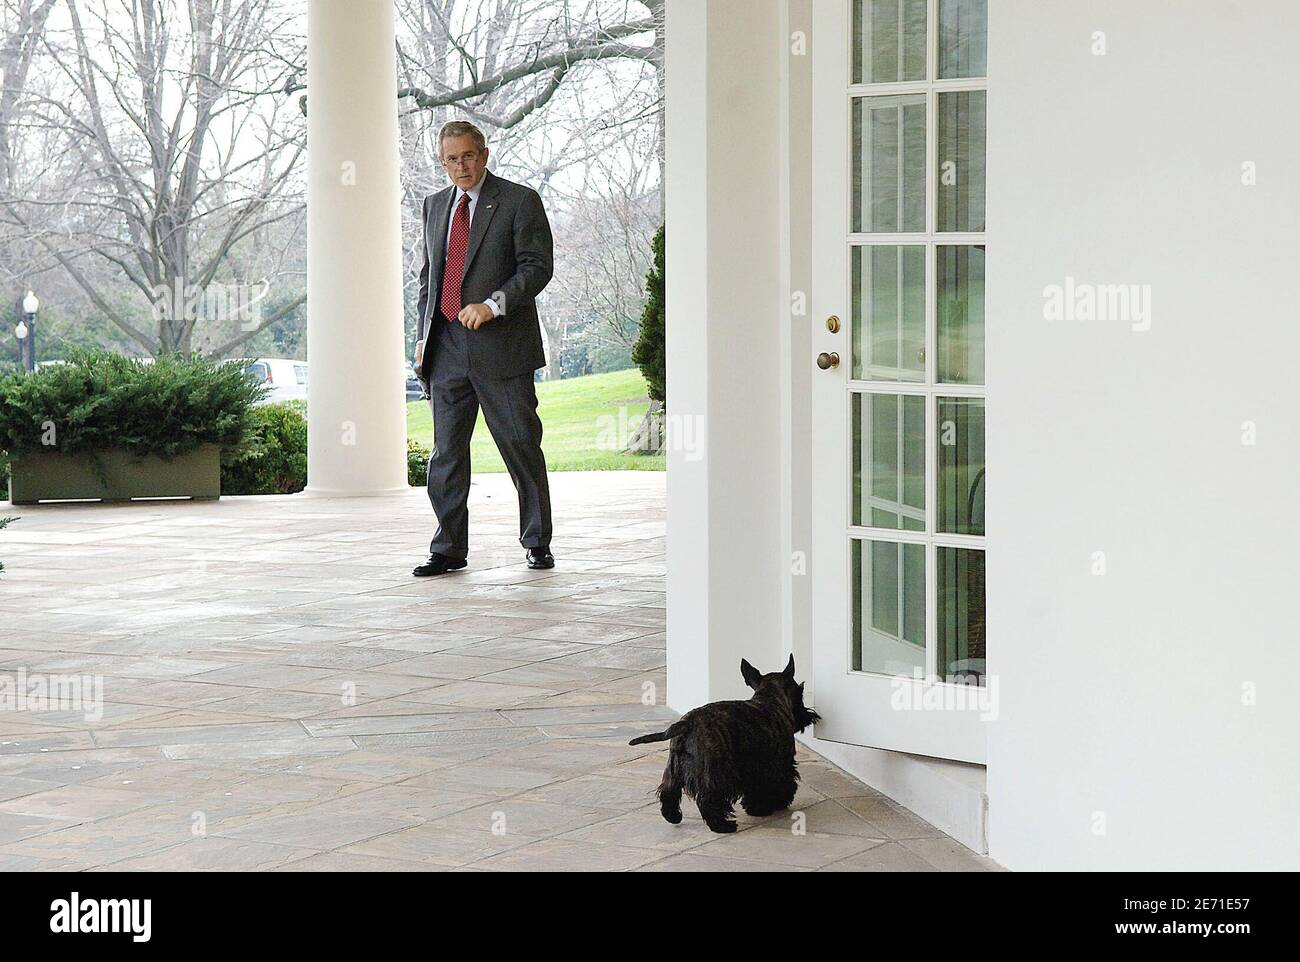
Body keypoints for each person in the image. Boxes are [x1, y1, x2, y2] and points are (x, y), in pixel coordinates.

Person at [411, 120, 555, 576]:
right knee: (447, 455)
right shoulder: (434, 206)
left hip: (502, 350)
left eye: (469, 156)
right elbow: (428, 279)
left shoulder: (518, 200)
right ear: (442, 162)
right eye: (452, 159)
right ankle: (448, 548)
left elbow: (537, 267)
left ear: (485, 154)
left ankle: (537, 541)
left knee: (520, 446)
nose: (461, 166)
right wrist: (421, 338)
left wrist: (494, 305)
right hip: (446, 348)